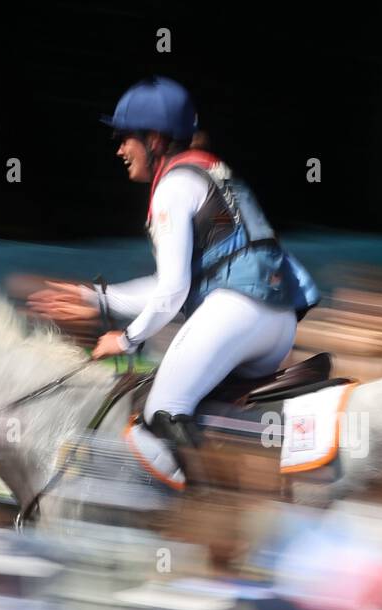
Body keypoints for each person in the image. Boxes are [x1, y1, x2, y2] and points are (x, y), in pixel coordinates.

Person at [29, 77, 320, 481]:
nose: (119, 149)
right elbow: (176, 284)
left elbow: (172, 292)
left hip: (236, 315)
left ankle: (204, 516)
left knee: (161, 412)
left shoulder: (173, 186)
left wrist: (125, 339)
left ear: (154, 139)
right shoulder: (212, 173)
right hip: (277, 322)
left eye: (124, 137)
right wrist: (96, 298)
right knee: (206, 412)